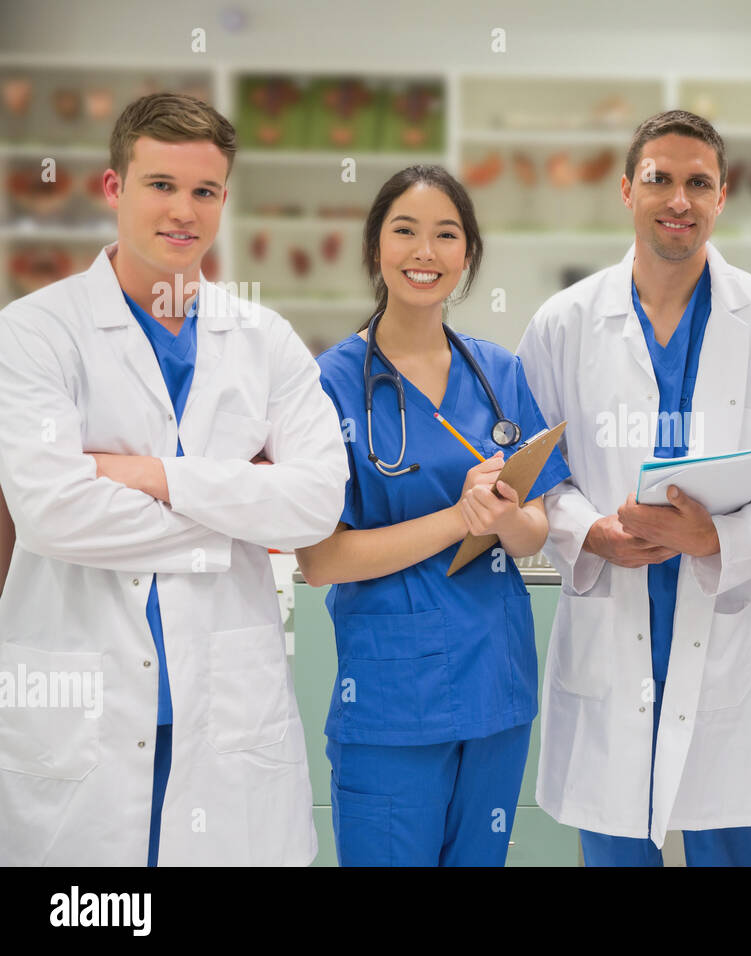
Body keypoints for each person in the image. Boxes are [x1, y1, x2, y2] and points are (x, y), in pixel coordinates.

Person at [0, 92, 348, 865]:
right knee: (91, 912)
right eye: (160, 184)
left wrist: (149, 475)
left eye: (204, 191)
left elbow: (318, 505)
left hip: (226, 703)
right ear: (113, 188)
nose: (182, 211)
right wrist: (241, 509)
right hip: (78, 701)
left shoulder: (264, 339)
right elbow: (53, 512)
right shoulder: (34, 333)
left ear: (224, 199)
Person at [516, 110, 751, 866]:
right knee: (618, 846)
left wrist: (716, 539)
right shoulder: (564, 323)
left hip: (724, 613)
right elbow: (531, 474)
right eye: (660, 179)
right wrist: (588, 530)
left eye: (699, 182)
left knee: (725, 846)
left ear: (722, 198)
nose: (678, 200)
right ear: (627, 189)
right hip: (611, 613)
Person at [294, 165, 570, 867]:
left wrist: (505, 514)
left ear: (468, 255)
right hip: (391, 702)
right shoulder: (330, 384)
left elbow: (534, 530)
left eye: (447, 235)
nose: (426, 252)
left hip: (496, 693)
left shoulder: (499, 372)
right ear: (376, 248)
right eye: (405, 231)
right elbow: (321, 559)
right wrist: (458, 517)